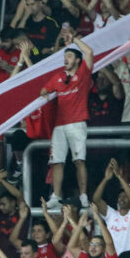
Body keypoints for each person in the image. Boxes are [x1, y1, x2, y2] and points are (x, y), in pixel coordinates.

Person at [41, 34, 95, 209]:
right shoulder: (58, 77)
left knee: (79, 160)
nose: (66, 59)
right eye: (65, 57)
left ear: (78, 60)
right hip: (60, 124)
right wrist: (43, 93)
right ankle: (56, 196)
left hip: (77, 122)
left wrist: (75, 41)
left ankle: (83, 195)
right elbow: (45, 89)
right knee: (57, 161)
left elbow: (89, 52)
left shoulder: (83, 73)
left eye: (70, 56)